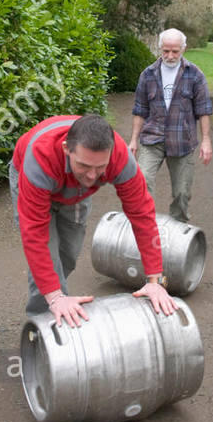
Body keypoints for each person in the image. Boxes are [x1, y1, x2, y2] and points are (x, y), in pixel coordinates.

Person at [9, 112, 176, 327]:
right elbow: (34, 235)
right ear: (66, 149)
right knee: (48, 257)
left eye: (100, 168)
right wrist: (55, 296)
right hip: (36, 181)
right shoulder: (39, 159)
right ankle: (43, 330)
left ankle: (55, 292)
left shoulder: (119, 157)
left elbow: (143, 215)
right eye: (84, 165)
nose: (92, 176)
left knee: (67, 255)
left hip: (76, 190)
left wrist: (155, 280)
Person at [129, 28, 213, 222]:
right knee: (142, 181)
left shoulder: (195, 75)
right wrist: (133, 140)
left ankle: (178, 230)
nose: (170, 55)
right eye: (165, 51)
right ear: (160, 49)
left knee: (182, 193)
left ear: (183, 49)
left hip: (182, 141)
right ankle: (146, 225)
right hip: (152, 138)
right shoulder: (148, 75)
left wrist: (206, 141)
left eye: (175, 51)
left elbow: (204, 110)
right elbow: (140, 110)